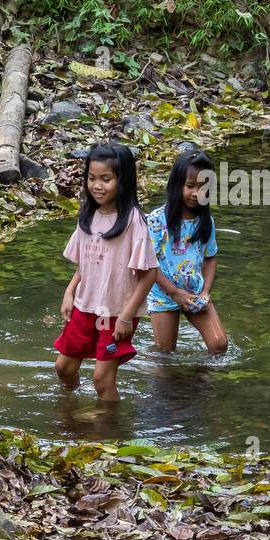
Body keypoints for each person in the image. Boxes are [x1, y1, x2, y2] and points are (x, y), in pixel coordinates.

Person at [54, 142, 158, 401]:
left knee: (102, 380)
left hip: (116, 313)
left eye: (106, 179)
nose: (97, 185)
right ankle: (69, 411)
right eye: (91, 178)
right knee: (63, 367)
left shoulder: (133, 221)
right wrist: (69, 293)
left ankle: (107, 433)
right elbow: (84, 265)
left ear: (123, 181)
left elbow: (149, 274)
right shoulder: (88, 215)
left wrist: (126, 316)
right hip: (84, 306)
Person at [147, 149, 229, 354]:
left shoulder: (205, 221)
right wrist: (175, 293)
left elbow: (210, 258)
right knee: (165, 353)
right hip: (164, 294)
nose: (196, 193)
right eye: (190, 186)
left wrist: (205, 292)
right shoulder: (157, 220)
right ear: (177, 185)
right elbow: (148, 263)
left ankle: (202, 383)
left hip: (195, 292)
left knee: (219, 345)